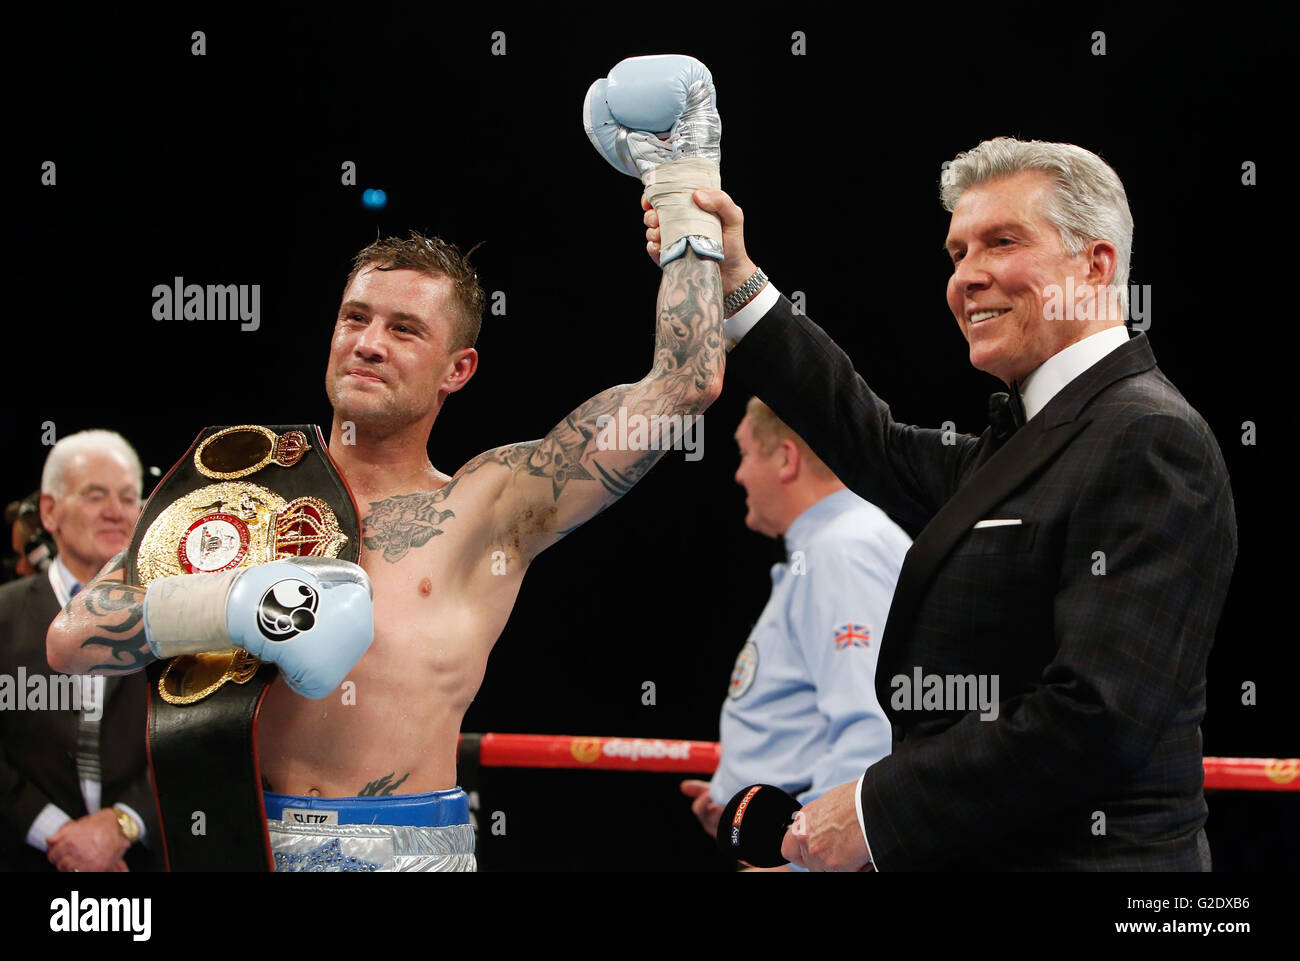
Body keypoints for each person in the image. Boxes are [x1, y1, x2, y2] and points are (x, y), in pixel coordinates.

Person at [48, 57, 725, 872]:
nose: (368, 342)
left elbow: (686, 380)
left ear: (457, 370)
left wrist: (685, 181)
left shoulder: (493, 505)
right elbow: (72, 636)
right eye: (355, 317)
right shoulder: (238, 488)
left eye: (404, 329)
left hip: (407, 849)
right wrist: (230, 603)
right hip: (227, 838)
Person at [644, 137, 1237, 871]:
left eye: (1002, 241)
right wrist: (737, 279)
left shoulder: (1148, 438)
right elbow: (873, 442)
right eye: (957, 252)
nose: (967, 277)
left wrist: (872, 809)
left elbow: (1096, 717)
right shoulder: (1031, 436)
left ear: (1096, 265)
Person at [681, 398, 908, 870]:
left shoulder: (845, 550)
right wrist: (736, 790)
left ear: (786, 459)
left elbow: (873, 727)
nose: (739, 474)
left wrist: (806, 863)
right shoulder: (836, 545)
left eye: (745, 454)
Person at [1, 430, 158, 871]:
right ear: (50, 511)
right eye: (95, 496)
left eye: (129, 498)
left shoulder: (179, 616)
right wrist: (62, 839)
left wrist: (121, 827)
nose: (116, 513)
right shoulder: (3, 615)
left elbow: (201, 742)